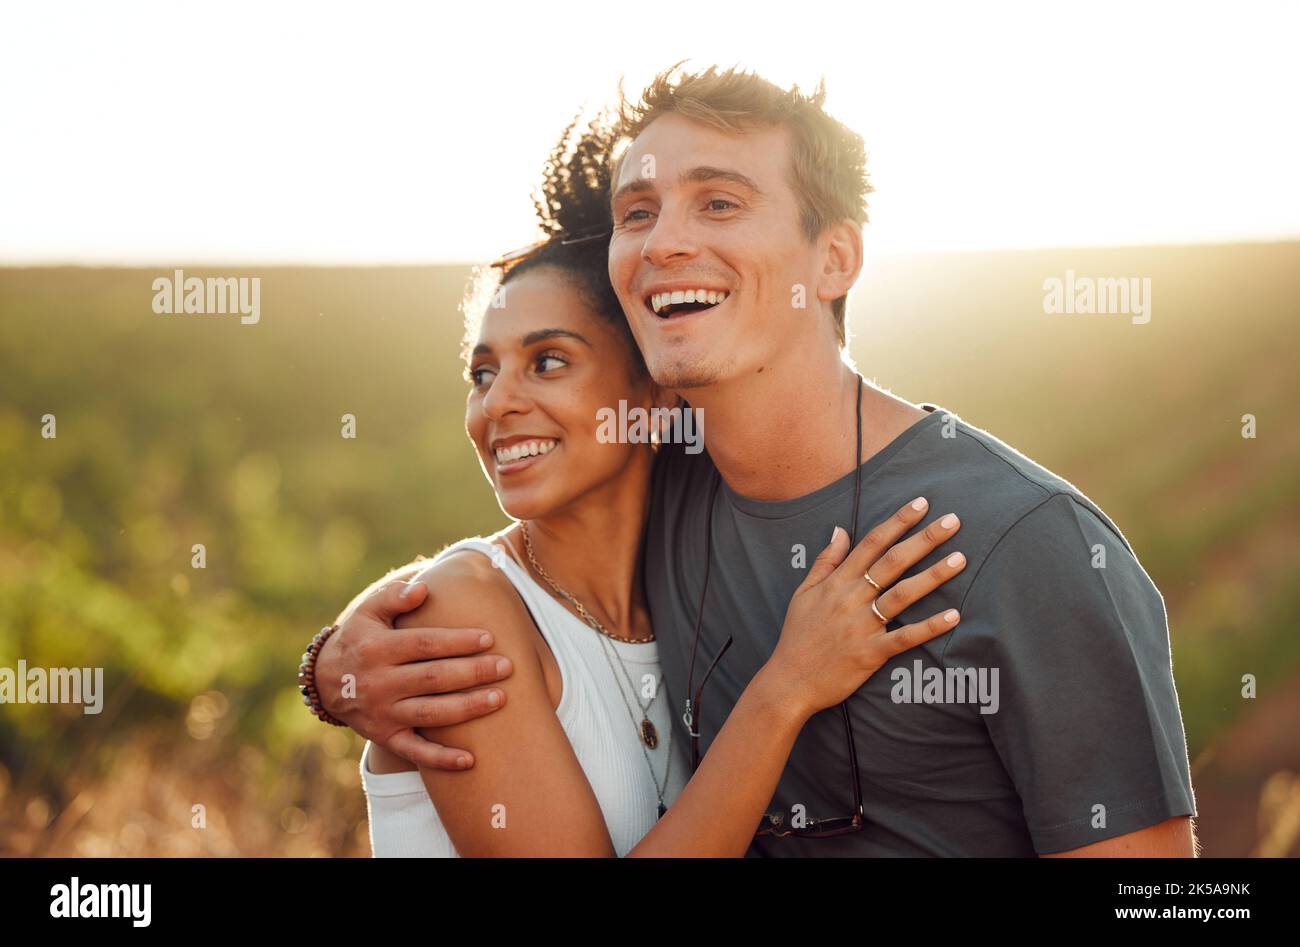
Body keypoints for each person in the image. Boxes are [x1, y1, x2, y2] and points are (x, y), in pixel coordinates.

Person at [309, 65, 1197, 856]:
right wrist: (336, 661)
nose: (663, 243)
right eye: (638, 214)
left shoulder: (1023, 542)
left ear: (836, 257)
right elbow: (509, 569)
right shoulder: (673, 485)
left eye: (720, 202)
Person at [331, 115, 968, 856]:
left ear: (656, 391)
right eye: (482, 372)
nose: (496, 403)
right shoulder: (460, 608)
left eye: (548, 362)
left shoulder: (686, 579)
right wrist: (787, 687)